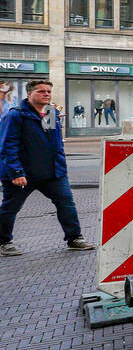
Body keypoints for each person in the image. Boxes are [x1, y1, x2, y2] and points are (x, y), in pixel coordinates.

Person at [0, 80, 94, 256]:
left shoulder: (50, 113)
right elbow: (7, 146)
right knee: (10, 207)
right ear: (29, 94)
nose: (46, 94)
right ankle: (3, 242)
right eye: (41, 91)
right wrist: (16, 172)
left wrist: (60, 166)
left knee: (66, 203)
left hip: (52, 173)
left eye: (49, 91)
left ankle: (75, 238)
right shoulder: (16, 116)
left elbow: (54, 143)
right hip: (23, 175)